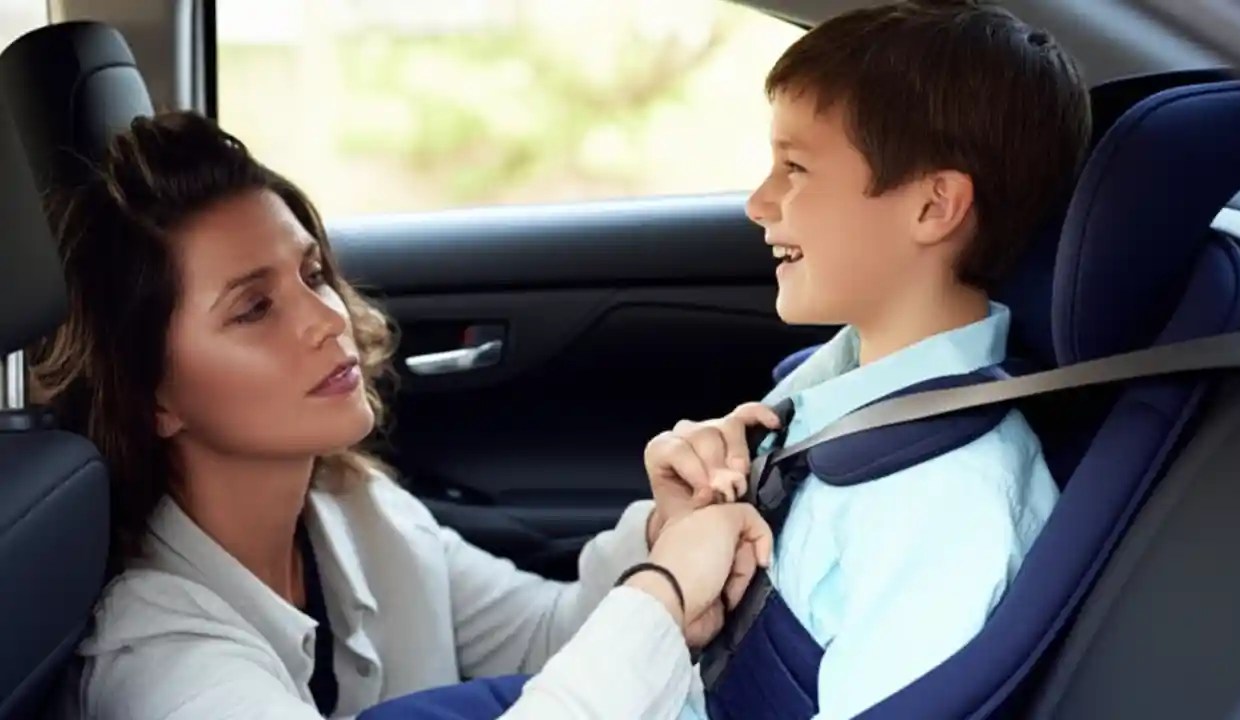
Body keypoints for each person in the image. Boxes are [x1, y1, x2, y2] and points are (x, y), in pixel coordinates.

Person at [32, 111, 775, 720]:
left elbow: (545, 641)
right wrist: (663, 596)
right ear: (154, 395)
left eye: (312, 273)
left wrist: (662, 531)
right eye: (254, 307)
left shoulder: (355, 510)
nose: (326, 317)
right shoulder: (158, 658)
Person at [650, 2, 1093, 718]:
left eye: (795, 167)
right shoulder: (833, 394)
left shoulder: (947, 506)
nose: (758, 203)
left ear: (933, 207)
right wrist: (675, 529)